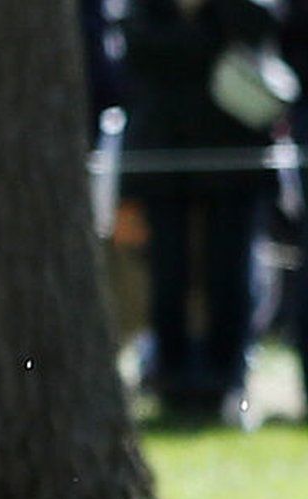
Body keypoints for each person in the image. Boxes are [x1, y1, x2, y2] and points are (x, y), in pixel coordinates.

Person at [118, 0, 287, 422]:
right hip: (165, 157)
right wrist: (206, 42)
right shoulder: (147, 11)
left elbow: (262, 26)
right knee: (168, 276)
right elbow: (140, 52)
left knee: (230, 276)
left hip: (233, 159)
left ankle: (226, 383)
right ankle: (173, 381)